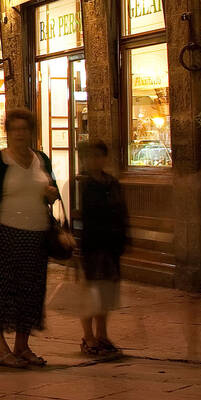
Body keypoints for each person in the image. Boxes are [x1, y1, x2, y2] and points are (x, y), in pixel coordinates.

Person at [0, 107, 60, 368]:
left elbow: (49, 192)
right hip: (4, 235)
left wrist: (50, 195)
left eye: (25, 129)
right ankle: (0, 349)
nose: (20, 134)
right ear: (8, 132)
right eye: (15, 129)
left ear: (32, 131)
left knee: (30, 293)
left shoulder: (41, 159)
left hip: (35, 238)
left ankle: (22, 346)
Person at [74, 140, 128, 356]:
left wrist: (124, 238)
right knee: (91, 291)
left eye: (99, 156)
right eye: (91, 156)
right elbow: (78, 215)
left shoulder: (112, 183)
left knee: (106, 291)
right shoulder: (82, 183)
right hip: (91, 244)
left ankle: (103, 334)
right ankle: (88, 336)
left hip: (110, 244)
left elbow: (122, 212)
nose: (95, 160)